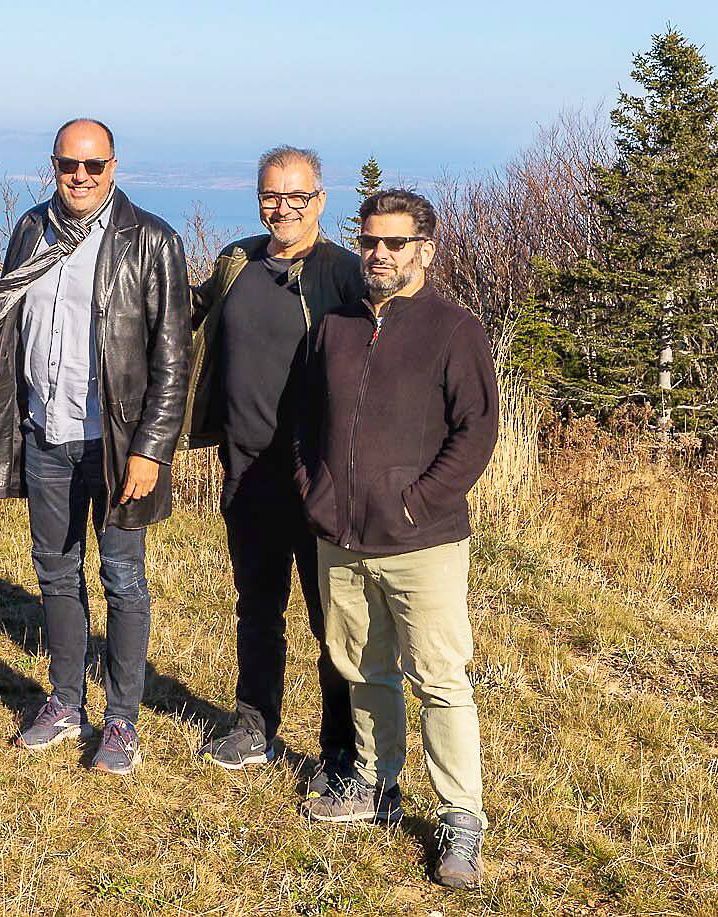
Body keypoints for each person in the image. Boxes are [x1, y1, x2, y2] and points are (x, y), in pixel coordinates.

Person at [297, 189, 498, 891]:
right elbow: (305, 419)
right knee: (361, 667)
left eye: (393, 243)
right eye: (369, 241)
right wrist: (315, 490)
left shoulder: (454, 329)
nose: (377, 254)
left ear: (425, 249)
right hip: (342, 537)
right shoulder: (336, 327)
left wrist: (417, 504)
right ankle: (377, 785)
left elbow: (477, 430)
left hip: (422, 543)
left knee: (441, 680)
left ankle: (459, 817)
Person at [0, 118, 192, 774]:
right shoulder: (31, 229)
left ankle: (122, 718)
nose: (80, 176)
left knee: (122, 575)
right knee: (55, 570)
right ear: (52, 164)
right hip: (47, 433)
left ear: (114, 166)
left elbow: (173, 356)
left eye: (93, 165)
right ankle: (66, 700)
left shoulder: (151, 240)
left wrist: (152, 449)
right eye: (68, 164)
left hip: (118, 444)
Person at [184, 147, 363, 792]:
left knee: (331, 618)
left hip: (316, 477)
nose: (282, 209)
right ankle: (253, 721)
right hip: (246, 467)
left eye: (296, 197)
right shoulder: (238, 262)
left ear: (320, 201)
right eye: (270, 197)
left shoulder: (344, 274)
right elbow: (184, 321)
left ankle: (340, 750)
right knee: (257, 604)